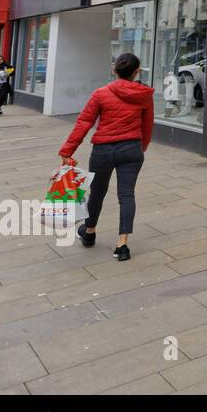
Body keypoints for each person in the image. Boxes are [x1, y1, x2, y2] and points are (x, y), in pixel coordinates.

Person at [58, 53, 154, 261]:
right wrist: (141, 148)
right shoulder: (144, 95)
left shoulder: (101, 93)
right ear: (137, 72)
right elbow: (147, 125)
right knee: (127, 194)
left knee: (97, 192)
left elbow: (84, 122)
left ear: (114, 70)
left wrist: (68, 151)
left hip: (102, 151)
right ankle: (122, 244)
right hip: (131, 149)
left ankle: (90, 231)